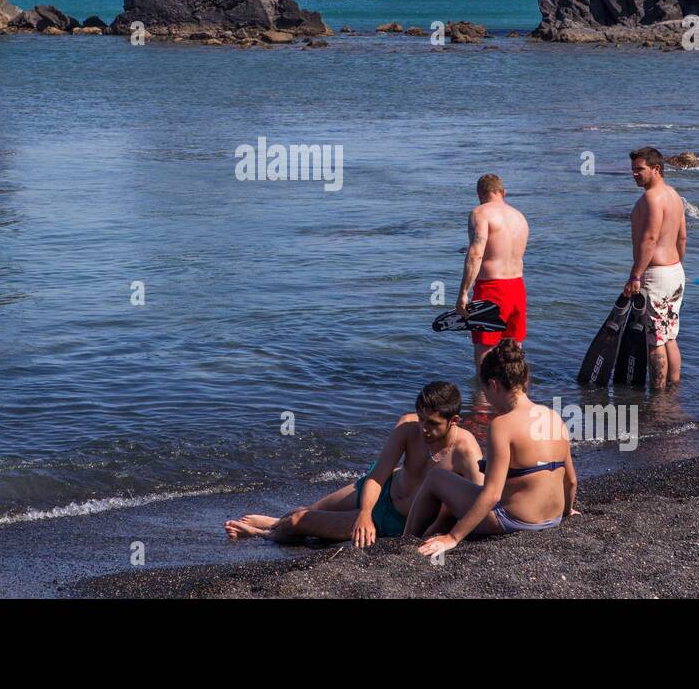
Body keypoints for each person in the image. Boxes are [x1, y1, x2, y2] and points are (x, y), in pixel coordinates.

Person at [224, 382, 483, 546]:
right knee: (309, 509)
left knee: (298, 522)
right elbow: (377, 476)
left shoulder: (465, 449)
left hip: (393, 520)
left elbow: (479, 501)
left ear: (454, 420)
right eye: (422, 419)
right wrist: (364, 513)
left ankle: (265, 534)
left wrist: (448, 534)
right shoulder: (408, 426)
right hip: (381, 491)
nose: (424, 428)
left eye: (433, 424)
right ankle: (274, 522)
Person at [405, 340, 577, 557]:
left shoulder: (502, 425)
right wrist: (567, 511)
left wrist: (453, 538)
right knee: (461, 493)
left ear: (493, 385)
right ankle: (428, 534)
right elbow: (570, 480)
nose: (486, 398)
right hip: (554, 518)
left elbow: (492, 494)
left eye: (484, 390)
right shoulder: (553, 417)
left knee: (436, 477)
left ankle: (405, 540)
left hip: (515, 521)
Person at [624, 147, 687, 388]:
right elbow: (682, 238)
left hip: (656, 275)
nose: (634, 174)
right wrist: (676, 265)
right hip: (675, 271)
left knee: (655, 339)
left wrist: (635, 275)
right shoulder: (675, 195)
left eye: (639, 169)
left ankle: (658, 395)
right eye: (633, 169)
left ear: (656, 169)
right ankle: (673, 390)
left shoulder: (652, 198)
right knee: (669, 335)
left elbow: (649, 240)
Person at [455, 174, 529, 372]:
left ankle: (481, 391)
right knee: (514, 351)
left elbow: (475, 254)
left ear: (480, 194)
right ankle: (516, 389)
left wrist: (463, 293)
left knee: (485, 350)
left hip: (492, 288)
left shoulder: (480, 213)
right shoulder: (519, 217)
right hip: (517, 287)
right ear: (504, 193)